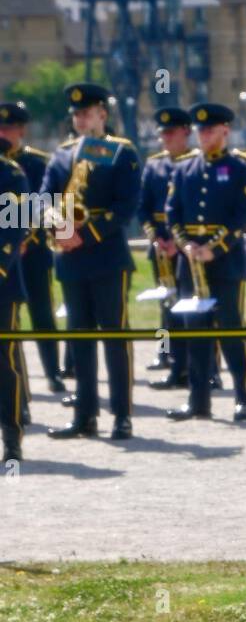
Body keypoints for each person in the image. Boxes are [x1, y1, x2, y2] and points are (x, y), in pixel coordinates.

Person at [41, 82, 141, 441]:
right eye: (77, 114)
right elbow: (44, 199)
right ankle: (85, 415)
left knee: (114, 336)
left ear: (102, 113)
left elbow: (126, 206)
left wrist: (85, 234)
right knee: (79, 338)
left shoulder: (120, 151)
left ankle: (122, 415)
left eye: (88, 112)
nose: (81, 118)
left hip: (106, 256)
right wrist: (58, 229)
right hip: (69, 257)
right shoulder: (62, 153)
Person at [164, 102, 246, 423]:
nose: (204, 135)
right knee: (196, 335)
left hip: (225, 263)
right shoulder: (184, 169)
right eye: (200, 130)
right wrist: (185, 245)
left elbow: (243, 214)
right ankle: (198, 400)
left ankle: (243, 397)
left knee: (231, 331)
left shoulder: (241, 168)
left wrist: (214, 248)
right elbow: (172, 213)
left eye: (210, 129)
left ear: (225, 131)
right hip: (191, 265)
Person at [0, 100, 64, 395]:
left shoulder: (38, 163)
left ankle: (53, 372)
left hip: (32, 252)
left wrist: (25, 238)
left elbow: (47, 206)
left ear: (22, 130)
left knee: (42, 313)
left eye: (9, 128)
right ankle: (16, 383)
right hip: (5, 255)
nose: (4, 132)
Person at [140, 105, 196, 391]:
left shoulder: (197, 162)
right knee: (167, 307)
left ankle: (204, 368)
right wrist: (156, 239)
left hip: (187, 246)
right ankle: (170, 358)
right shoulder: (154, 164)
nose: (165, 138)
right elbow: (144, 209)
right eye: (162, 133)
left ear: (185, 132)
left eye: (170, 133)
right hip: (161, 247)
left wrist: (179, 241)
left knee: (194, 309)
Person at [0, 135, 27, 466]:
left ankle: (12, 439)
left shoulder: (10, 174)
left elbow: (13, 228)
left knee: (3, 365)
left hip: (2, 284)